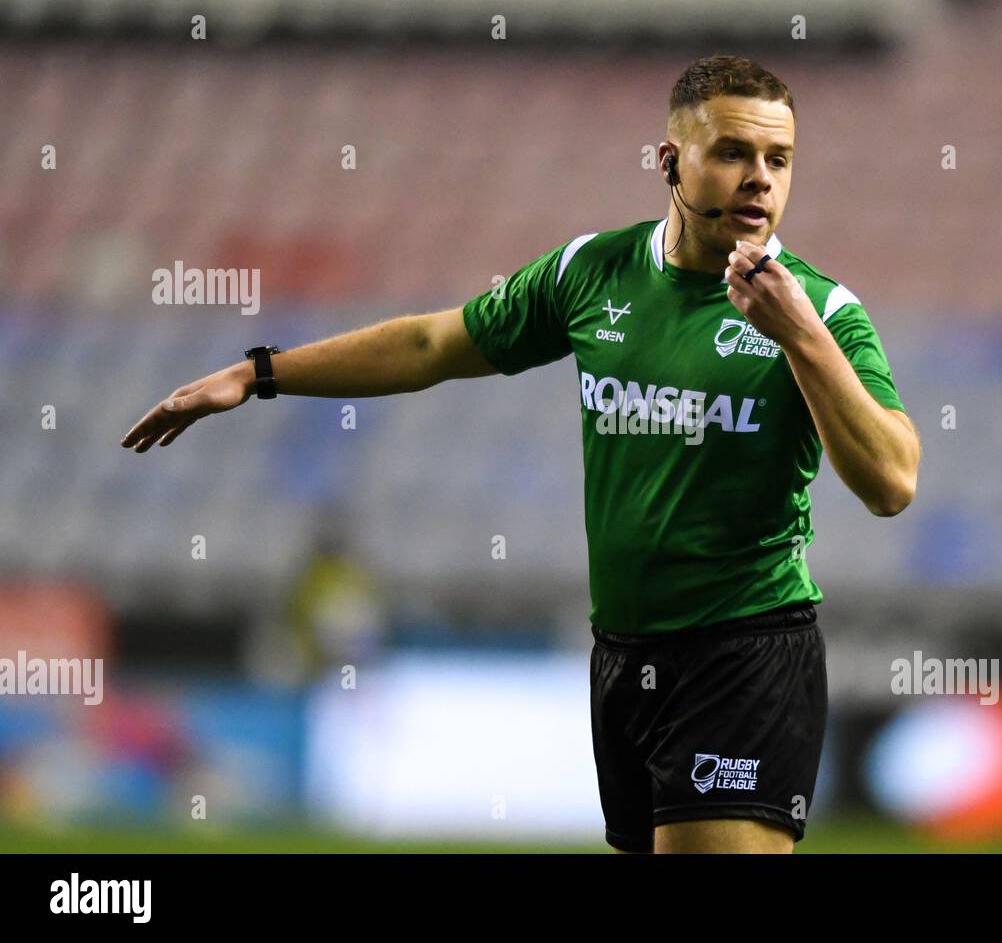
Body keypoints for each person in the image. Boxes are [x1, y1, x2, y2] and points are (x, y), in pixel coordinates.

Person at [121, 54, 921, 854]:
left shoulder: (822, 311)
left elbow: (891, 482)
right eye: (734, 154)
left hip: (743, 653)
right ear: (670, 161)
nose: (759, 180)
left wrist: (801, 338)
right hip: (625, 654)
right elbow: (435, 343)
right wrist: (258, 373)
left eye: (778, 161)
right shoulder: (591, 273)